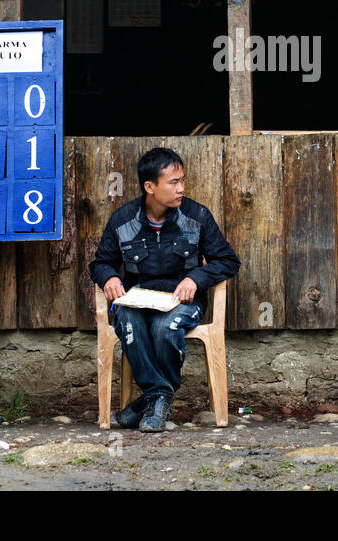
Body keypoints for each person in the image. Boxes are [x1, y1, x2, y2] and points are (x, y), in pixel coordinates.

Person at [89, 147, 240, 432]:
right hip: (138, 302)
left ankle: (151, 399)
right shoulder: (123, 221)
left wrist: (196, 278)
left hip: (182, 304)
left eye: (182, 180)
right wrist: (108, 277)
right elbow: (100, 263)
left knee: (165, 327)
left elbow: (228, 261)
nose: (181, 188)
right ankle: (158, 397)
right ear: (150, 187)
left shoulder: (197, 217)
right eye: (173, 182)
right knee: (127, 321)